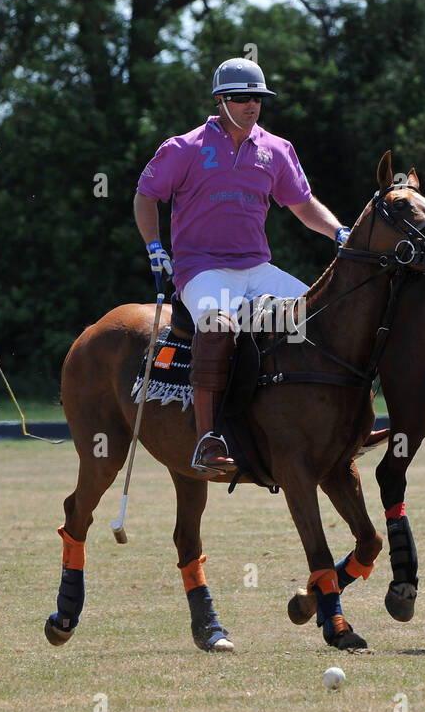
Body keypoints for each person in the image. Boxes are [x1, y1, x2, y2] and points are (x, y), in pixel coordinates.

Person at [134, 58, 350, 474]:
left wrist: (338, 232)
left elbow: (302, 206)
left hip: (257, 267)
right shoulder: (183, 148)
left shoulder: (276, 149)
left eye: (257, 98)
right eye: (241, 98)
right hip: (201, 269)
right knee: (218, 328)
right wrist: (155, 247)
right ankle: (208, 439)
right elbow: (146, 196)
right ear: (220, 101)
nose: (252, 105)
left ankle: (339, 426)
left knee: (324, 316)